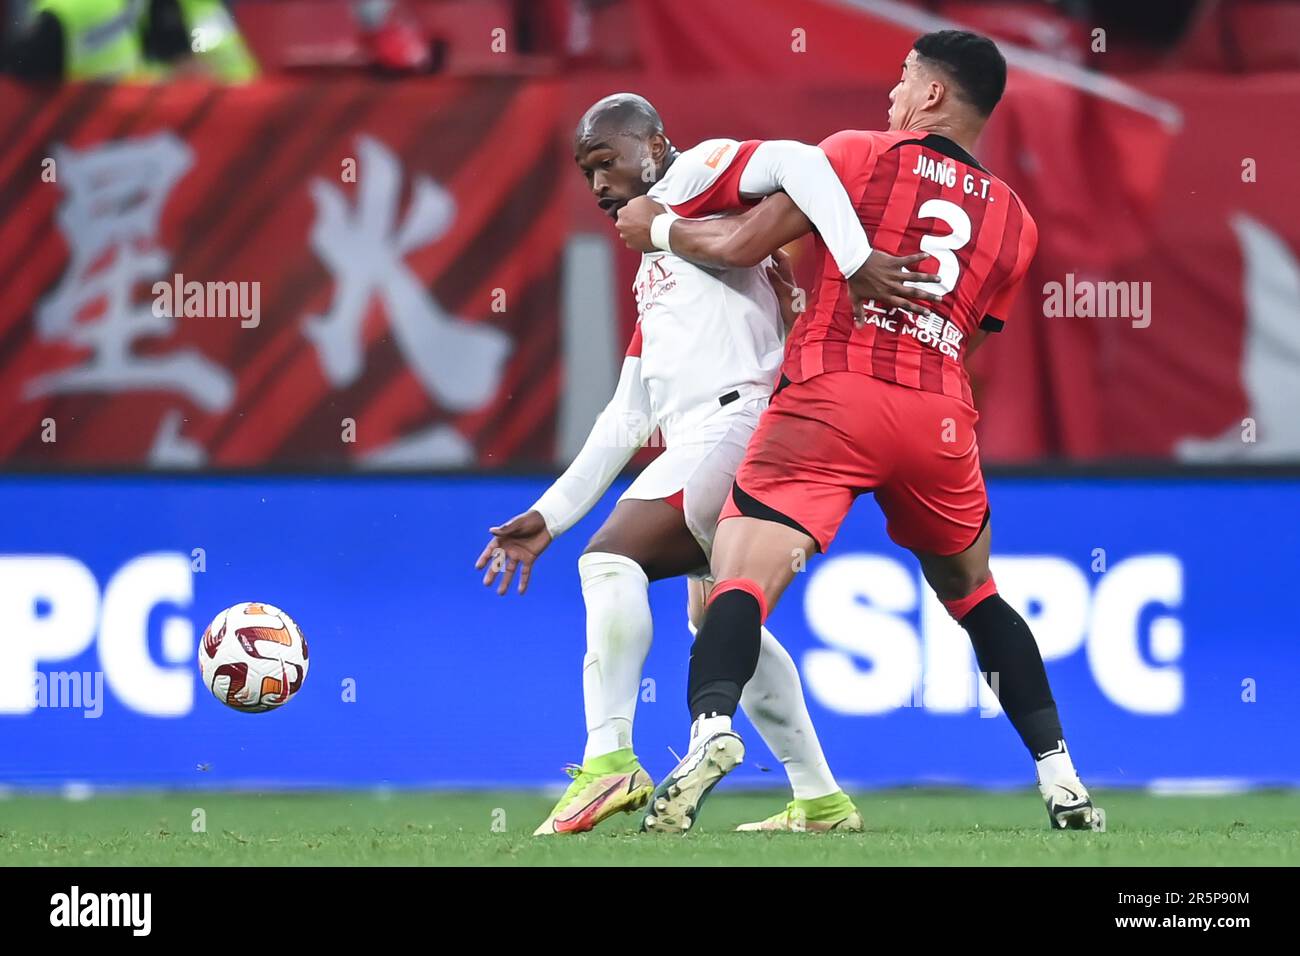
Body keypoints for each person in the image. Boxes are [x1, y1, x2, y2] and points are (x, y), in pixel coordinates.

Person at [614, 30, 1097, 833]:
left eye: (904, 78)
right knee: (977, 596)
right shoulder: (1018, 222)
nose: (891, 93)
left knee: (733, 583)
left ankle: (710, 734)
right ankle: (1063, 779)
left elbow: (738, 244)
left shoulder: (855, 154)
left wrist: (655, 230)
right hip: (939, 415)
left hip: (832, 396)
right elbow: (972, 338)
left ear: (935, 95)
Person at [476, 93, 930, 834]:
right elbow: (626, 415)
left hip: (735, 421)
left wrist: (853, 260)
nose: (597, 185)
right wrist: (550, 516)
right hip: (719, 432)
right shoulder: (659, 261)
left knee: (610, 564)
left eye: (606, 161)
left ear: (653, 145)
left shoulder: (692, 178)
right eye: (585, 172)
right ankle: (819, 798)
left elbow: (804, 161)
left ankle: (609, 762)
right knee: (714, 615)